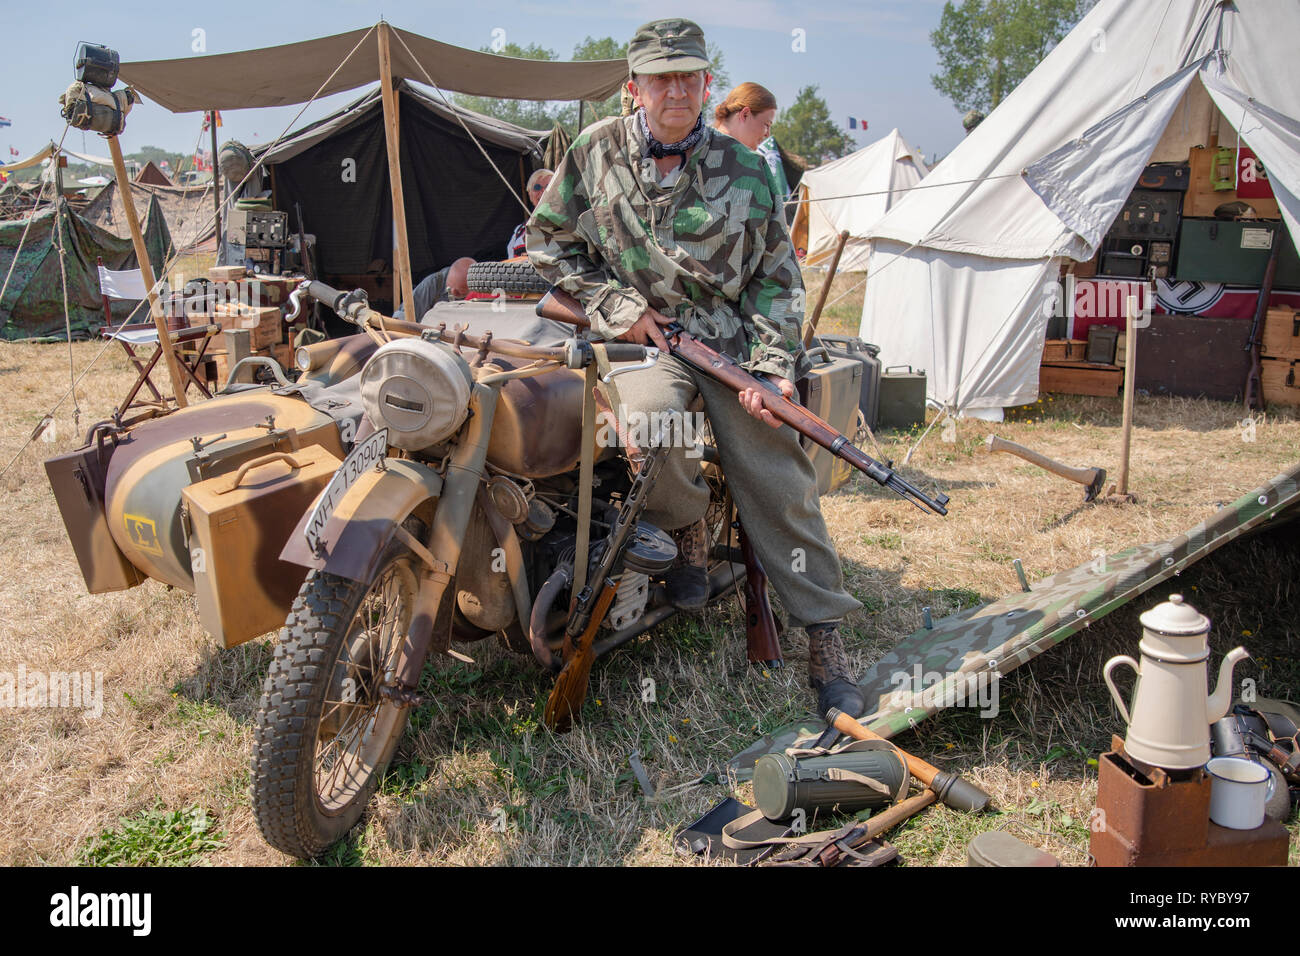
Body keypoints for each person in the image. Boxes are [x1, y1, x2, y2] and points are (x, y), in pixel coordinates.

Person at [527, 18, 864, 718]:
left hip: (732, 344)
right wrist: (615, 304)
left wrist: (772, 371)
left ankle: (826, 637)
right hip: (644, 343)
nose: (675, 89)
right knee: (649, 433)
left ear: (707, 83)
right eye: (661, 77)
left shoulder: (746, 168)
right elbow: (547, 242)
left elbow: (777, 278)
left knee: (778, 476)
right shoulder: (593, 153)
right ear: (634, 88)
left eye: (688, 75)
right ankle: (689, 528)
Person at [714, 82, 791, 210]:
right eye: (766, 125)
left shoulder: (693, 148)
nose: (768, 134)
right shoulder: (752, 164)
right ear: (745, 115)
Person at [392, 256, 475, 322]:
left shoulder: (481, 293)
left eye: (460, 294)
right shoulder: (434, 283)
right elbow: (404, 315)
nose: (453, 293)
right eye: (450, 290)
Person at [506, 169, 553, 259]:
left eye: (548, 186)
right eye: (537, 188)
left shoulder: (569, 223)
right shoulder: (519, 231)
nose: (543, 191)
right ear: (530, 194)